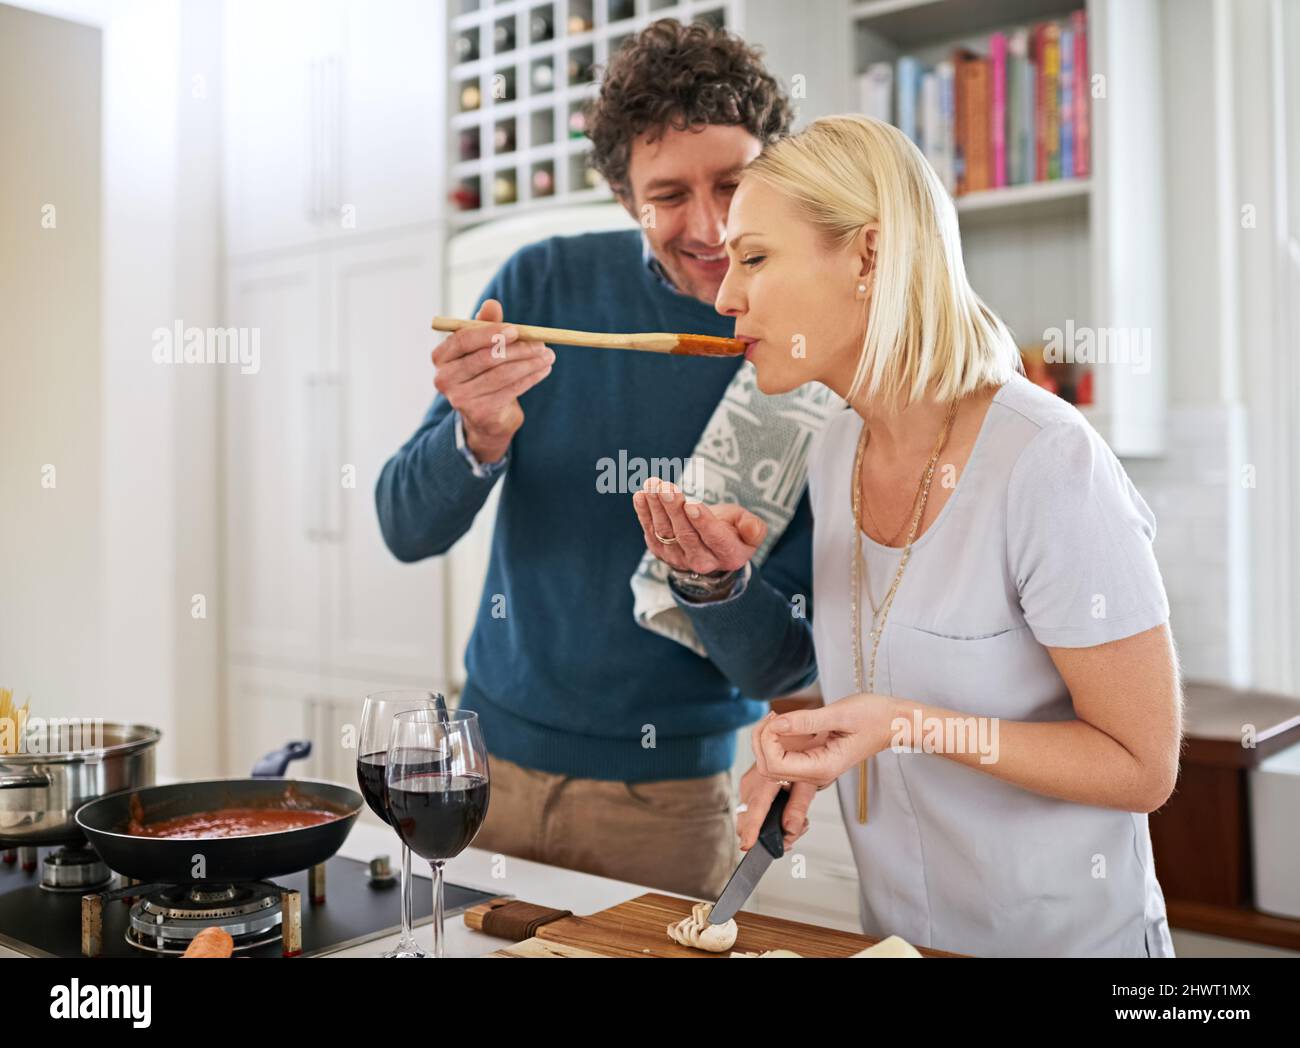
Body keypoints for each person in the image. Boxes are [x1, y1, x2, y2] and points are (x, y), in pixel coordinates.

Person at [635, 114, 1182, 956]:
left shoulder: (1048, 462)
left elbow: (1143, 767)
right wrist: (802, 745)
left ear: (868, 256)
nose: (725, 296)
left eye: (755, 258)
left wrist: (906, 724)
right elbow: (868, 674)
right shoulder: (835, 448)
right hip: (897, 941)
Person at [375, 20, 816, 900]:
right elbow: (403, 527)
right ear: (623, 197)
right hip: (486, 767)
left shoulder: (803, 348)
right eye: (668, 195)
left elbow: (788, 664)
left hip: (668, 800)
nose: (711, 227)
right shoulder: (541, 284)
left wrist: (713, 584)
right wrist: (477, 436)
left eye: (734, 184)